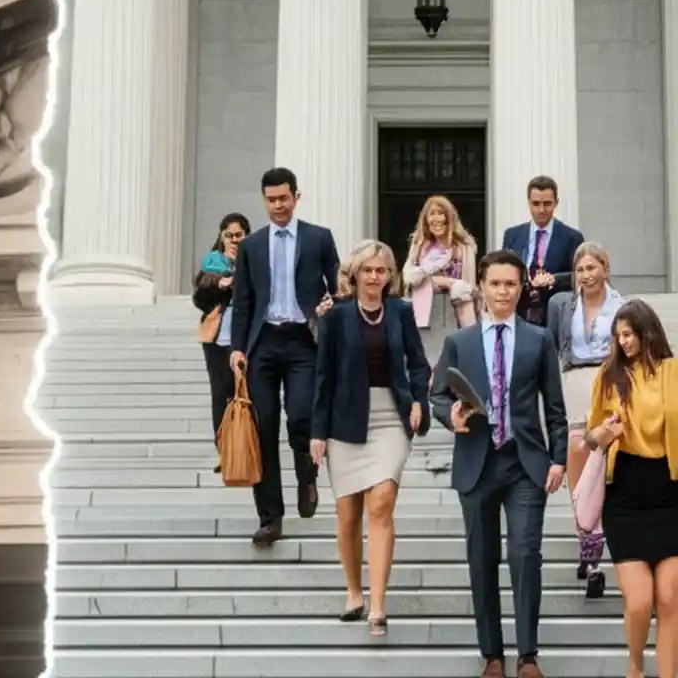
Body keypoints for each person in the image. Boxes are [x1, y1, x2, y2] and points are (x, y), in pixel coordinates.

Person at [430, 249, 568, 678]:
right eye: (495, 283)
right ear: (483, 287)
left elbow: (556, 408)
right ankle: (492, 654)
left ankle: (528, 655)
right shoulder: (460, 341)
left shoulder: (538, 339)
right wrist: (448, 416)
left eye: (511, 283)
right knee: (481, 558)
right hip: (477, 463)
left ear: (521, 287)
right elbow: (437, 394)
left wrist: (559, 459)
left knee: (526, 556)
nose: (503, 291)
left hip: (525, 462)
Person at [310, 240, 430, 637]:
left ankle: (378, 605)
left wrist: (418, 403)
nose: (375, 277)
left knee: (381, 503)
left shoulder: (401, 311)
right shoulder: (336, 318)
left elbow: (417, 362)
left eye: (382, 270)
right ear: (355, 274)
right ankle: (354, 591)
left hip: (389, 418)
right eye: (368, 270)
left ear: (389, 275)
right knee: (348, 515)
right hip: (345, 419)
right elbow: (323, 377)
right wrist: (317, 431)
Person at [229, 167, 340, 546]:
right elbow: (242, 302)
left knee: (302, 416)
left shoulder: (318, 238)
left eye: (284, 198)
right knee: (263, 429)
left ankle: (306, 477)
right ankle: (270, 516)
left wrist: (332, 301)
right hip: (262, 344)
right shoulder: (251, 246)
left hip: (302, 341)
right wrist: (237, 348)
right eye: (271, 199)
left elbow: (338, 282)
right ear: (264, 200)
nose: (278, 205)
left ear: (296, 197)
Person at [583, 299, 678, 678]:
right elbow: (589, 437)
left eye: (628, 334)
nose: (622, 342)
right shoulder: (608, 375)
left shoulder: (673, 372)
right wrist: (603, 434)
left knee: (670, 598)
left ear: (646, 331)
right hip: (625, 496)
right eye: (617, 336)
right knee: (639, 602)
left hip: (671, 492)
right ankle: (635, 668)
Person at [544, 242, 624, 598]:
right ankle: (588, 550)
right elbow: (550, 348)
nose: (586, 275)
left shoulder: (624, 307)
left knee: (605, 467)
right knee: (578, 463)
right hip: (573, 381)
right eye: (580, 269)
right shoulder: (561, 304)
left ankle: (601, 547)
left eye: (592, 267)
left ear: (605, 268)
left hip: (610, 382)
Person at [193, 212, 251, 471]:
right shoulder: (213, 261)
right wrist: (223, 282)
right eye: (229, 235)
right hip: (217, 337)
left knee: (250, 395)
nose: (234, 240)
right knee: (221, 394)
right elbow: (200, 294)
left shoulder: (254, 260)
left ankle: (248, 447)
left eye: (239, 235)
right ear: (221, 237)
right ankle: (224, 451)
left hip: (248, 339)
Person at [401, 194, 479, 365]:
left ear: (449, 217)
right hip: (423, 312)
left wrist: (447, 283)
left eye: (440, 213)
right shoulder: (419, 246)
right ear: (426, 219)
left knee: (450, 363)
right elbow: (408, 277)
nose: (436, 218)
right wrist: (430, 275)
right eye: (432, 213)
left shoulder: (464, 247)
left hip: (454, 309)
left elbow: (469, 286)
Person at [499, 175, 585, 327]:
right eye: (536, 204)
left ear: (556, 203)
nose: (541, 210)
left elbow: (580, 275)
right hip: (518, 307)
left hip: (552, 308)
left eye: (547, 204)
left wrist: (554, 279)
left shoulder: (572, 237)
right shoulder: (512, 235)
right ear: (528, 203)